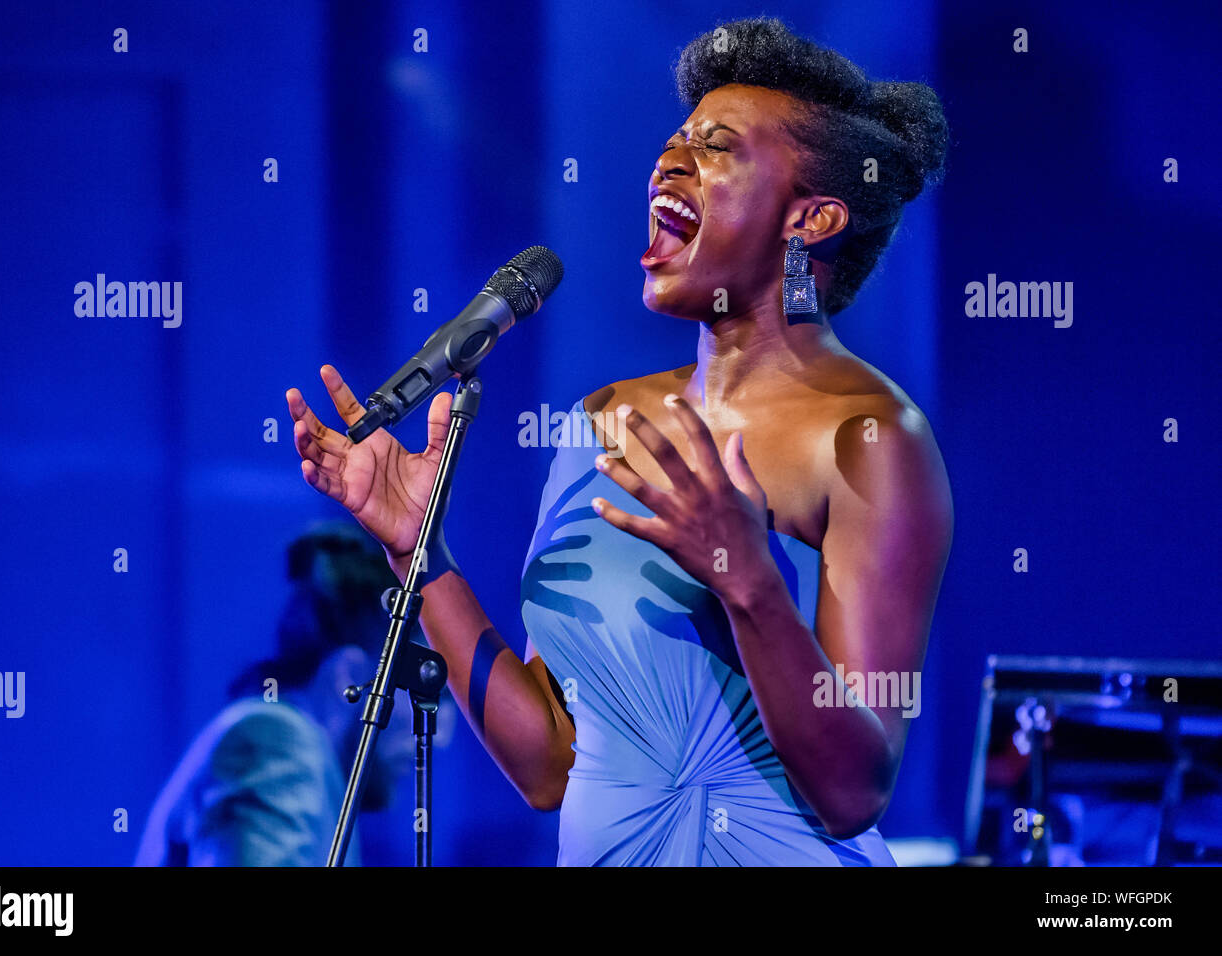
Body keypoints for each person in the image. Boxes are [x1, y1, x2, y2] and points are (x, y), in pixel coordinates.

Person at [287, 17, 952, 865]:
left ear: (811, 219)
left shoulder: (870, 437)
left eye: (715, 147)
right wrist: (422, 556)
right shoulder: (603, 419)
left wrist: (745, 577)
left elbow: (855, 790)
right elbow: (549, 768)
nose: (669, 162)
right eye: (674, 141)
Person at [135, 521, 415, 866]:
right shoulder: (281, 745)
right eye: (416, 687)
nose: (440, 732)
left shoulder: (290, 749)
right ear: (350, 677)